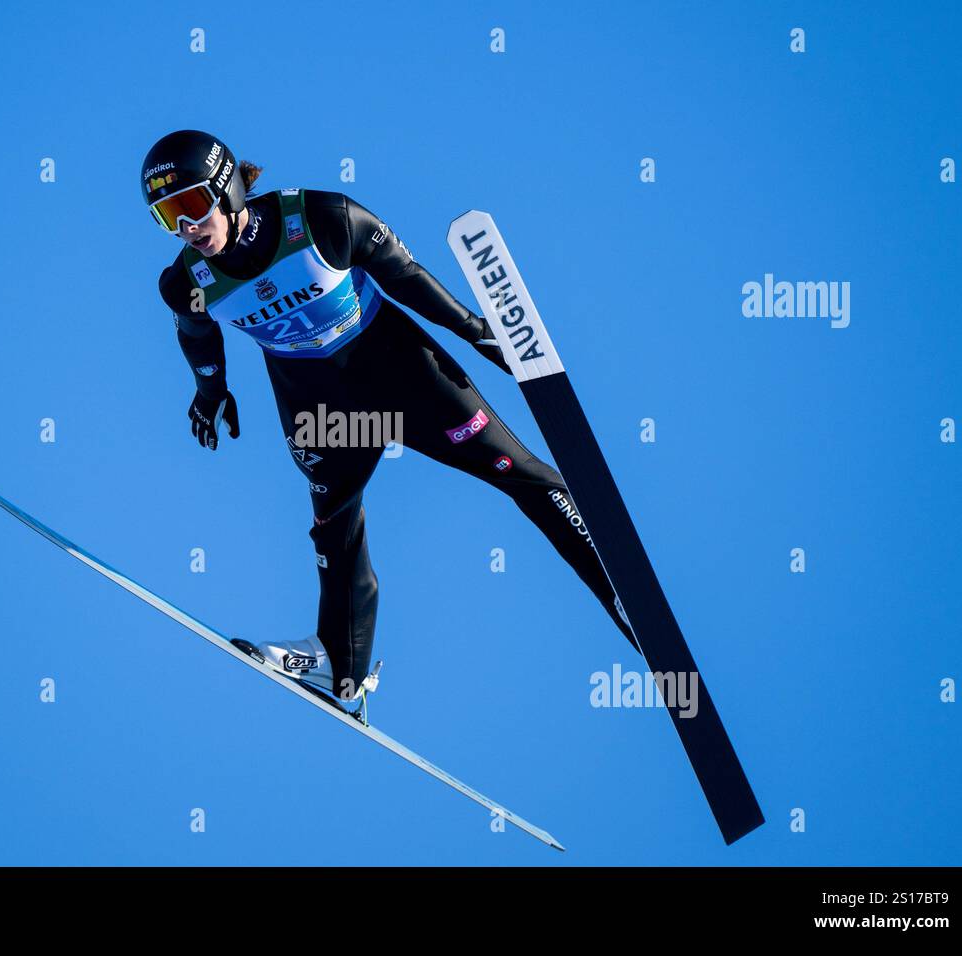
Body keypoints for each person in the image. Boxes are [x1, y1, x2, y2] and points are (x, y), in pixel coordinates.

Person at [144, 129, 636, 712]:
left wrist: (477, 332)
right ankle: (338, 665)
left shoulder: (322, 218)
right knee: (334, 524)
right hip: (318, 410)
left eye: (191, 206)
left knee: (514, 468)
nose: (185, 228)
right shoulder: (186, 282)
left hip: (403, 378)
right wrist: (211, 391)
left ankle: (619, 585)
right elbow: (195, 332)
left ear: (226, 190)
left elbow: (405, 276)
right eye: (166, 216)